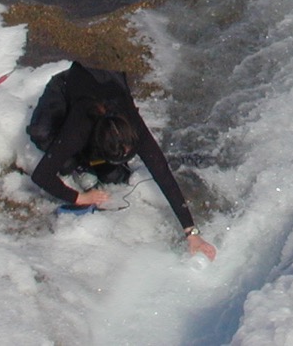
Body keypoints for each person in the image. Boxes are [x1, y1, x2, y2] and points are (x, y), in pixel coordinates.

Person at [27, 61, 216, 259]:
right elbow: (42, 175)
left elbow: (163, 174)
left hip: (109, 83)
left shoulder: (134, 128)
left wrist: (191, 232)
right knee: (52, 146)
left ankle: (100, 164)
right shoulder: (79, 129)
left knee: (113, 176)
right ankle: (82, 163)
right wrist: (80, 197)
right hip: (67, 88)